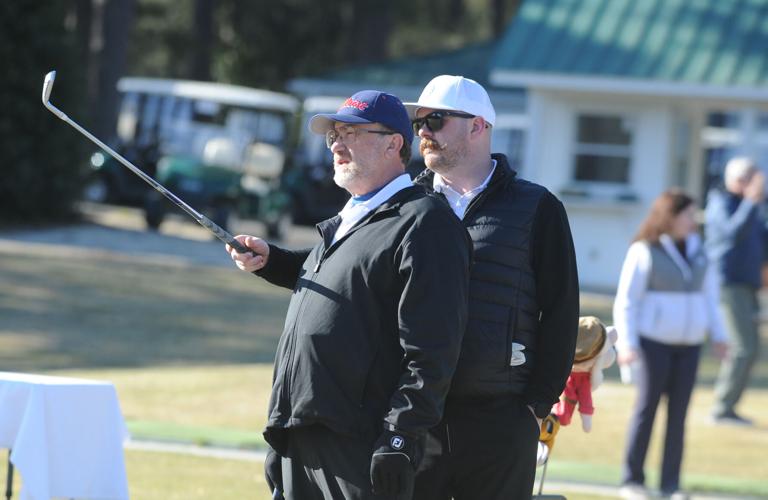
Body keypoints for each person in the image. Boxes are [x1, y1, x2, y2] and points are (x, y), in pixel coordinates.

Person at [226, 90, 471, 500]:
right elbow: (348, 284)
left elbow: (433, 351)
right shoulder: (347, 221)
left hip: (360, 445)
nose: (337, 144)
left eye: (352, 133)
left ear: (394, 144)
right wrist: (273, 261)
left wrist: (399, 436)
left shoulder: (425, 223)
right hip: (299, 433)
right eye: (334, 134)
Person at [405, 75, 580, 500]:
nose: (424, 133)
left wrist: (536, 404)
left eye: (437, 120)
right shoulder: (404, 202)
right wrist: (274, 260)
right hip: (414, 418)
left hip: (501, 423)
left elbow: (561, 310)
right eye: (419, 124)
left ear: (478, 125)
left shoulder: (538, 207)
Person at [613, 189, 728, 499]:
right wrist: (627, 343)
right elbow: (627, 302)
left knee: (678, 416)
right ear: (671, 216)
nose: (694, 220)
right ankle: (632, 480)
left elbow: (711, 299)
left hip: (689, 347)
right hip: (653, 345)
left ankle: (670, 485)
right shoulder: (644, 250)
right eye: (689, 214)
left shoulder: (700, 250)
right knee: (646, 410)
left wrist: (719, 335)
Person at [705, 156, 767, 426]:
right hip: (728, 284)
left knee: (752, 349)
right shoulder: (720, 201)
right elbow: (732, 234)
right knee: (742, 348)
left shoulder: (750, 207)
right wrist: (752, 203)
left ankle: (729, 407)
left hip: (748, 285)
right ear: (736, 180)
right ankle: (721, 408)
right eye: (749, 180)